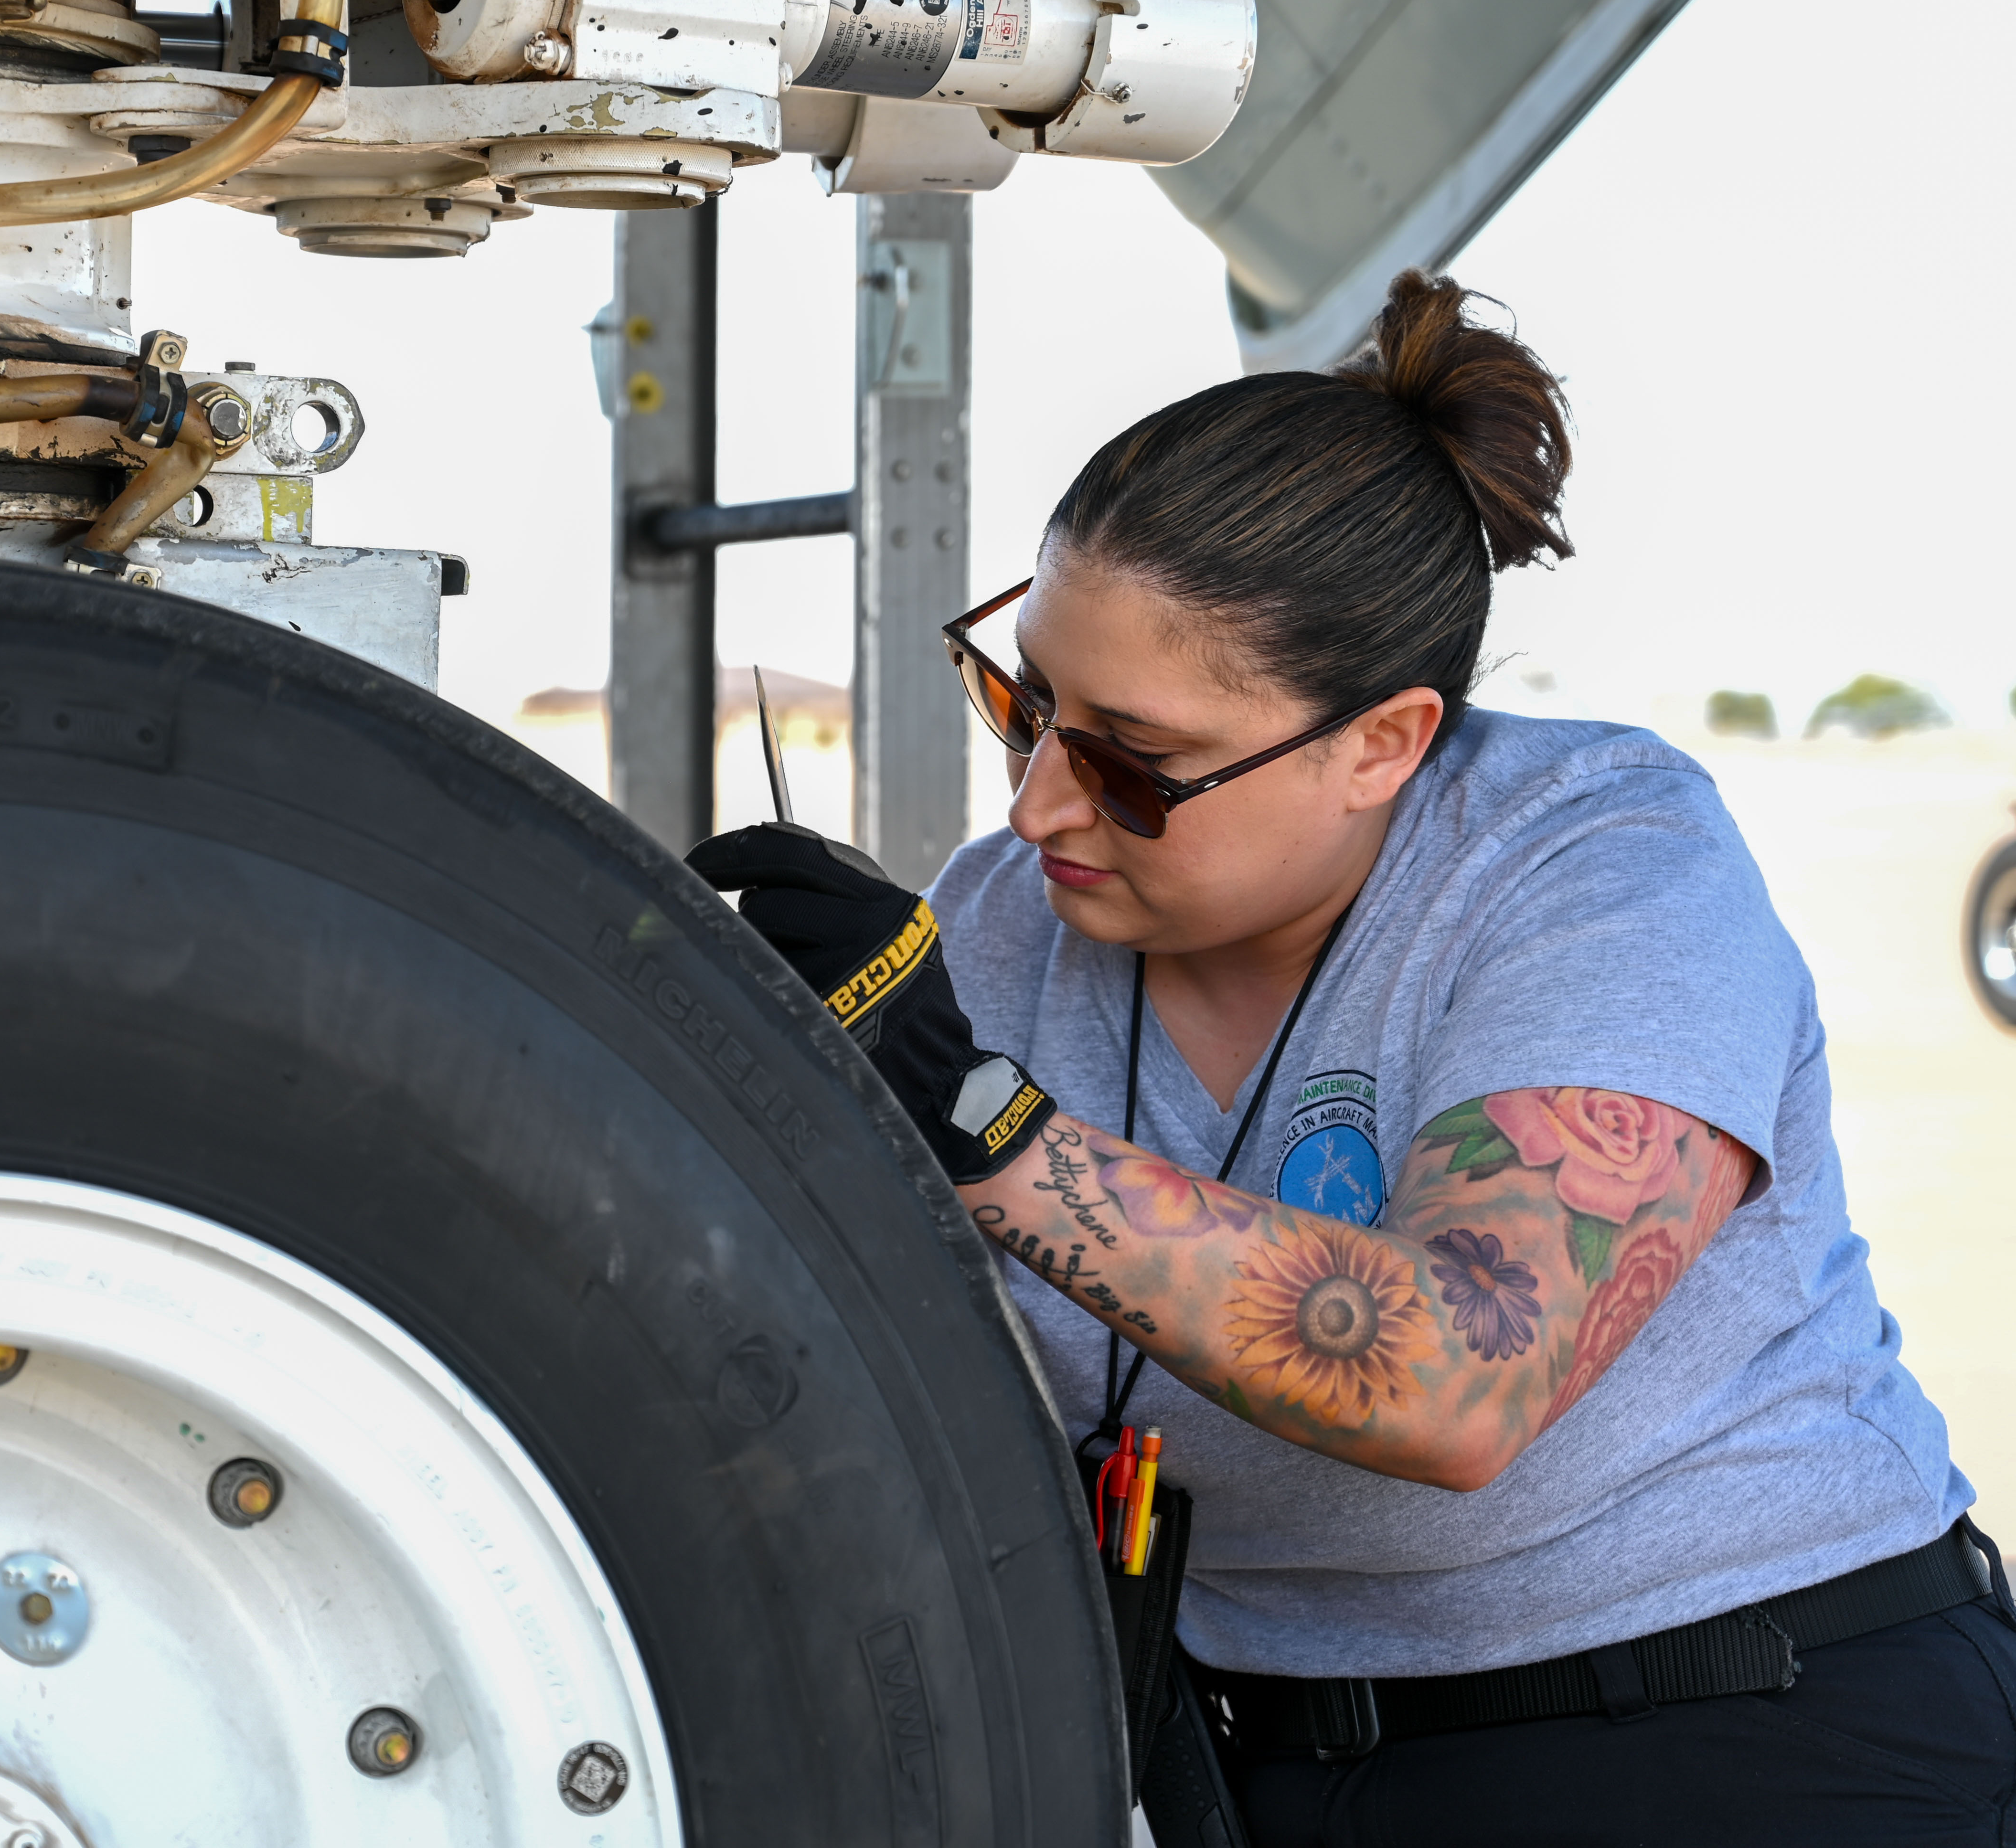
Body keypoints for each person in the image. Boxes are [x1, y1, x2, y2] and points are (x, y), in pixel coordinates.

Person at [690, 271, 2016, 1846]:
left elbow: (1461, 1376)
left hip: (1743, 1741)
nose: (1041, 803)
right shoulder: (1000, 921)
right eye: (1021, 703)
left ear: (1383, 743)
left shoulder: (1596, 861)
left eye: (1131, 759)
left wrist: (976, 1118)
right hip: (1274, 1770)